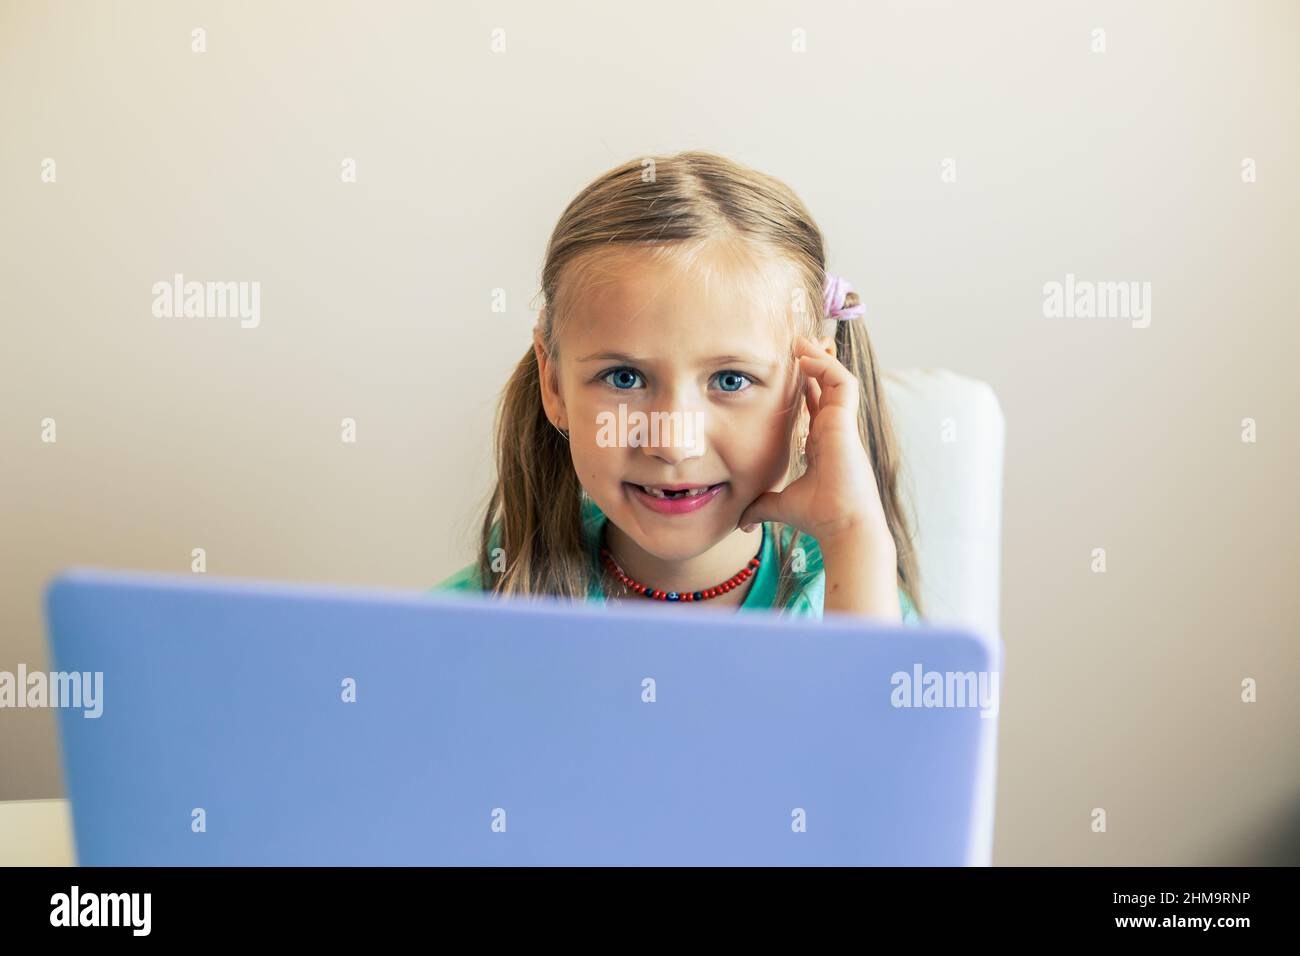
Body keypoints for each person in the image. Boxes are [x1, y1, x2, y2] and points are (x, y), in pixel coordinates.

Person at [433, 151, 922, 624]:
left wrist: (853, 534)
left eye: (731, 380)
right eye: (624, 378)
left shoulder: (862, 598)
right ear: (554, 384)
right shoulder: (463, 624)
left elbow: (872, 707)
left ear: (807, 397)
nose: (672, 444)